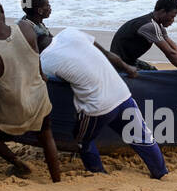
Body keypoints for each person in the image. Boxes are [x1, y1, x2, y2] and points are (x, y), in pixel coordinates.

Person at [40, 27, 167, 179]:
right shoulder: (70, 32)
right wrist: (128, 68)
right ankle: (161, 172)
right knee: (143, 137)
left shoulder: (44, 60)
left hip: (97, 106)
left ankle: (98, 173)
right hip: (122, 93)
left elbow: (50, 83)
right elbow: (106, 54)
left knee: (82, 140)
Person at [0, 0, 61, 182]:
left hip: (12, 113)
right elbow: (38, 65)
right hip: (39, 102)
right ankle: (56, 179)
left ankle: (17, 163)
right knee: (46, 135)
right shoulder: (27, 29)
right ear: (1, 9)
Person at [109, 0, 177, 71]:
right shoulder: (150, 26)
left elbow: (175, 50)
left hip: (130, 61)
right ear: (162, 12)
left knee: (154, 71)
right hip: (119, 64)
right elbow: (170, 54)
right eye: (172, 16)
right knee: (156, 77)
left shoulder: (158, 26)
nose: (172, 20)